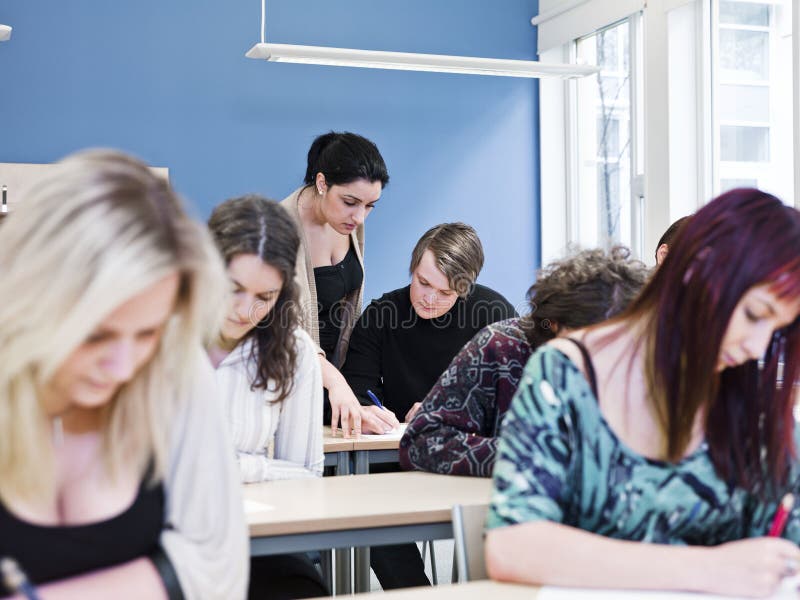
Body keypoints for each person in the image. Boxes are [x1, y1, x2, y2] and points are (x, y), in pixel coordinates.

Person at [485, 188, 800, 598]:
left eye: (777, 330)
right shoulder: (567, 374)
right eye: (754, 314)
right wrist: (708, 569)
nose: (757, 348)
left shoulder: (752, 397)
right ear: (695, 270)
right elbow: (513, 548)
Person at [0, 150, 247, 599]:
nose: (122, 366)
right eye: (95, 336)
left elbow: (218, 567)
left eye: (146, 333)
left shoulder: (177, 369)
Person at [340, 222, 516, 590]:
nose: (429, 299)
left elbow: (515, 406)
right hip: (397, 458)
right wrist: (367, 411)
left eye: (445, 292)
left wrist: (450, 414)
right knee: (370, 506)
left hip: (469, 459)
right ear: (413, 268)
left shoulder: (495, 315)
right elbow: (356, 389)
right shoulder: (382, 314)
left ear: (465, 290)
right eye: (423, 283)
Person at [399, 247, 648, 477]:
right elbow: (420, 442)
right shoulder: (502, 347)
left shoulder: (646, 356)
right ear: (555, 325)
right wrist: (530, 453)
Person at [207, 195, 327, 599]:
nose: (244, 311)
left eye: (264, 297)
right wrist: (258, 466)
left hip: (253, 537)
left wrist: (235, 467)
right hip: (163, 533)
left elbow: (306, 476)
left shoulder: (295, 352)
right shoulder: (156, 334)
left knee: (302, 587)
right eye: (232, 289)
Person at [280, 131, 393, 438]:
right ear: (321, 183)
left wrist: (351, 388)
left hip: (332, 378)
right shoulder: (279, 230)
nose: (359, 217)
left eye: (371, 206)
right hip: (290, 380)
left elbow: (347, 313)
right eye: (350, 201)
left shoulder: (347, 223)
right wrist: (336, 384)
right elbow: (284, 330)